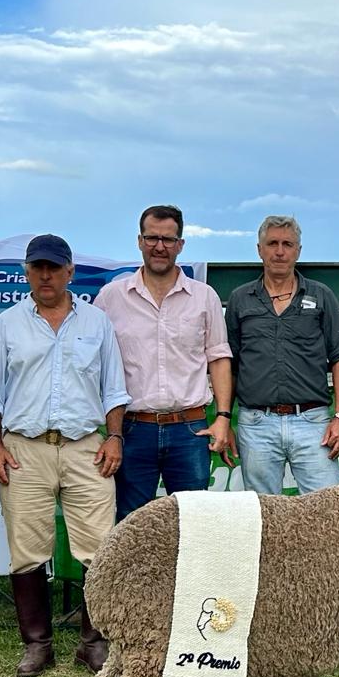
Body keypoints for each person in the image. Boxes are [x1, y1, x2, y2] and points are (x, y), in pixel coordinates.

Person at [0, 234, 130, 677]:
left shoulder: (97, 323)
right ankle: (37, 645)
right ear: (26, 272)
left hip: (86, 447)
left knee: (99, 549)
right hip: (23, 448)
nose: (45, 275)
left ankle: (92, 643)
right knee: (26, 550)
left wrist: (114, 437)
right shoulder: (6, 324)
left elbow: (114, 389)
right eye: (37, 267)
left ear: (70, 272)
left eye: (54, 267)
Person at [95, 204, 235, 511]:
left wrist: (223, 418)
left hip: (189, 427)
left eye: (168, 239)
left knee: (193, 525)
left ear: (180, 244)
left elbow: (219, 358)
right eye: (152, 238)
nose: (160, 246)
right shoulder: (111, 298)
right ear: (139, 241)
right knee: (131, 528)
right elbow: (97, 366)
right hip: (132, 430)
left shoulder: (204, 296)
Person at [226, 215, 339, 494]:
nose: (280, 251)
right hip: (256, 424)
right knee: (263, 514)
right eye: (272, 243)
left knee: (326, 510)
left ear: (298, 250)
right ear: (259, 249)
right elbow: (230, 365)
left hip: (313, 423)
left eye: (288, 244)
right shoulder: (240, 299)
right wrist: (225, 419)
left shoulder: (322, 296)